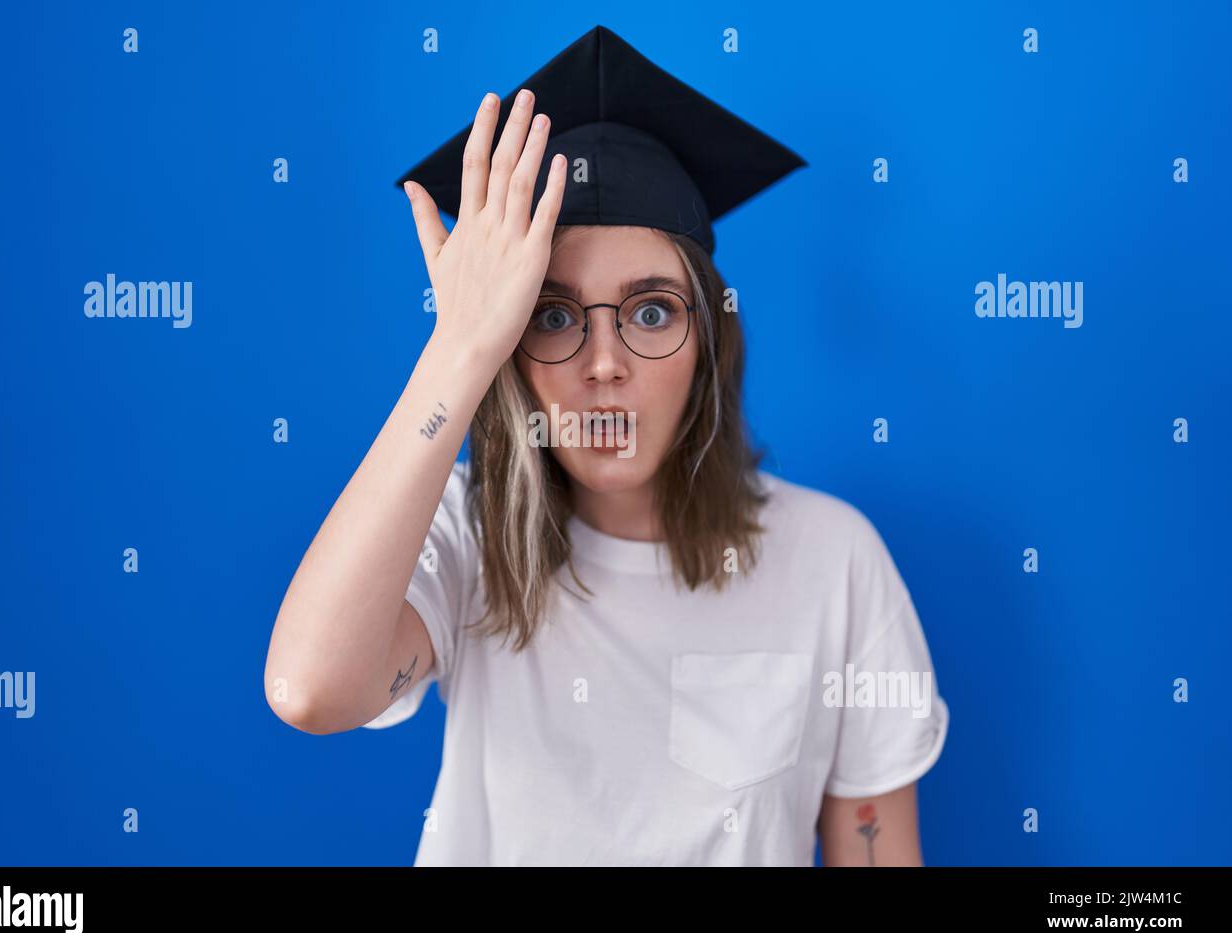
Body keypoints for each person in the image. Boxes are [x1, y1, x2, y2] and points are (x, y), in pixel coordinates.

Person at [264, 25, 948, 866]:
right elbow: (310, 690)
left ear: (709, 342)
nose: (603, 365)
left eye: (652, 310)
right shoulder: (467, 540)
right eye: (550, 317)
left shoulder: (833, 559)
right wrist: (457, 349)